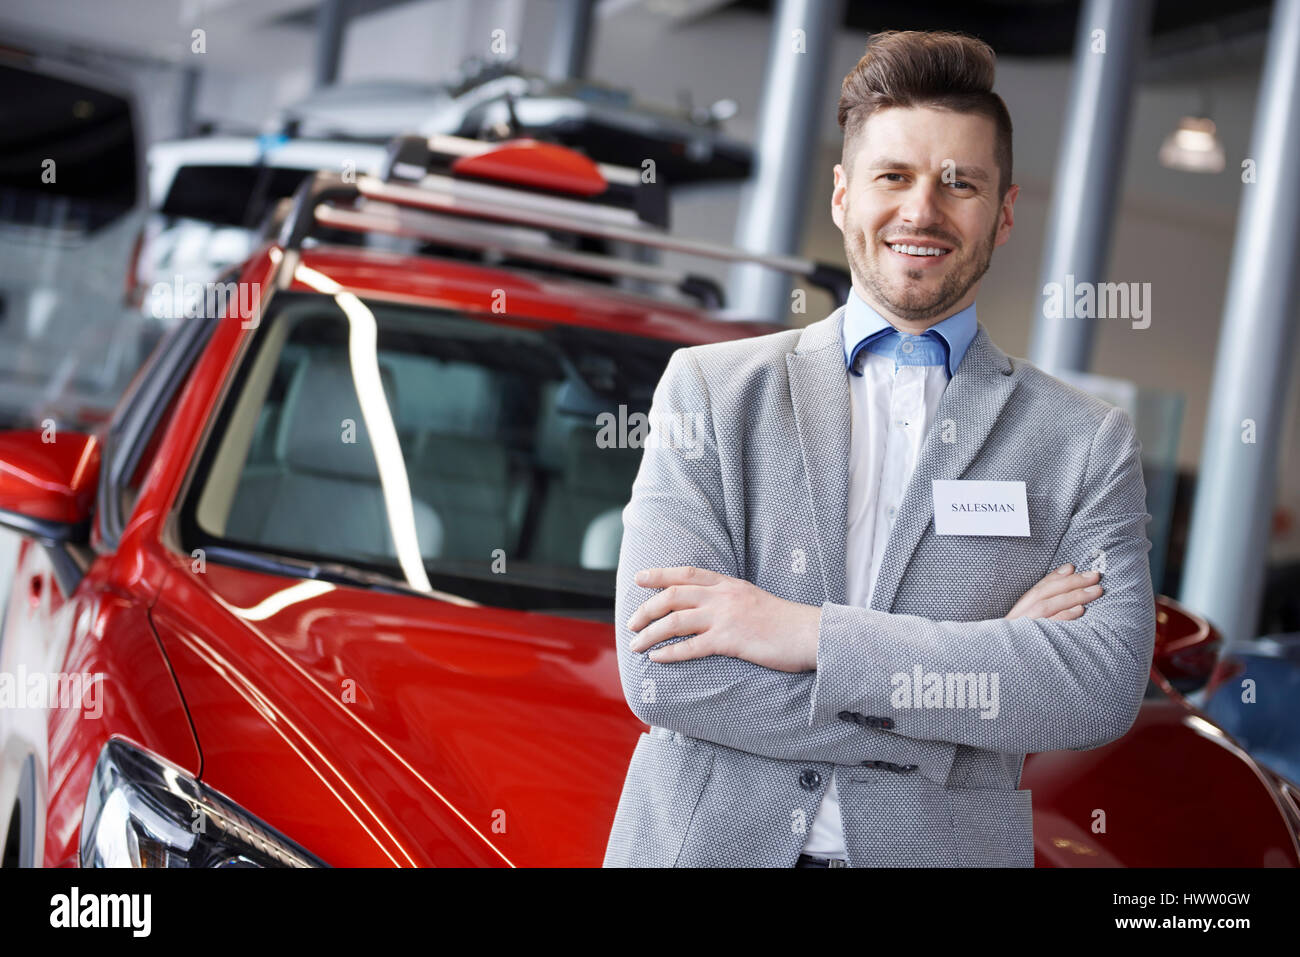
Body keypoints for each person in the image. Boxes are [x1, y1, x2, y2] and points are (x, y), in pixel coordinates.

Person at [602, 29, 1154, 868]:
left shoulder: (1084, 442)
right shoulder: (710, 391)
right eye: (893, 176)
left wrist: (804, 633)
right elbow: (664, 674)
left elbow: (1097, 686)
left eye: (959, 183)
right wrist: (956, 712)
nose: (922, 211)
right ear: (842, 195)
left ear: (1003, 212)